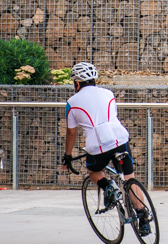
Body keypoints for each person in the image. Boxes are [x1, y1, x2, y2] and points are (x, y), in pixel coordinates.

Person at [60, 62, 152, 235]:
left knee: (94, 171)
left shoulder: (71, 103)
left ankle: (108, 185)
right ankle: (143, 217)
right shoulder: (108, 93)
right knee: (128, 177)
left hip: (97, 145)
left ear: (77, 83)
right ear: (94, 80)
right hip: (119, 138)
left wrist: (68, 155)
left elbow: (71, 133)